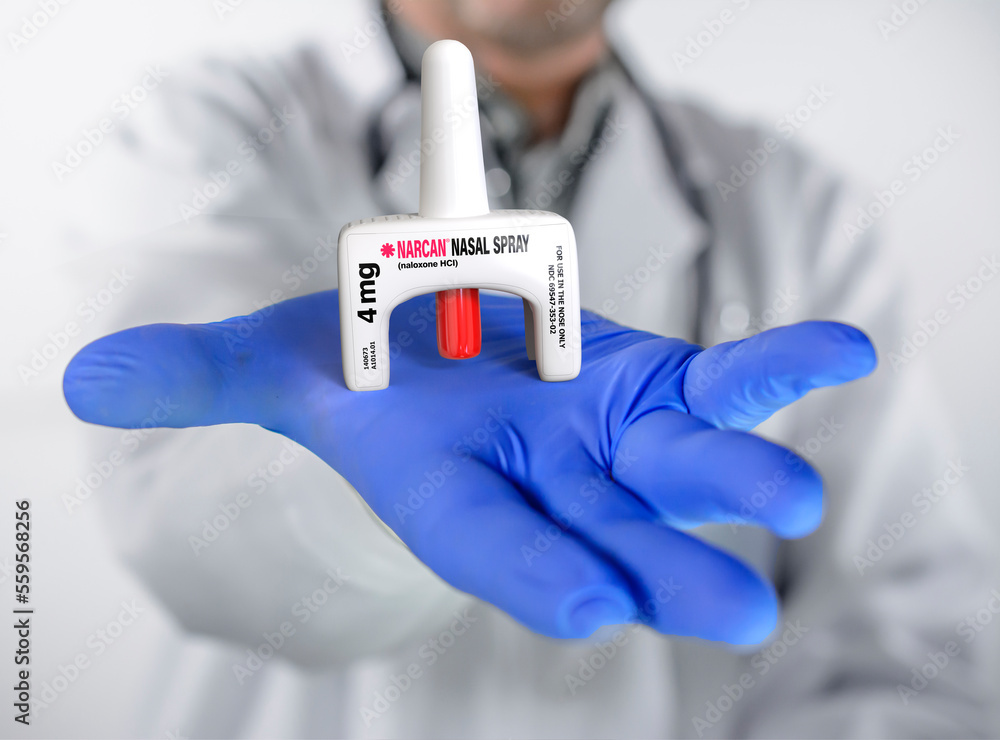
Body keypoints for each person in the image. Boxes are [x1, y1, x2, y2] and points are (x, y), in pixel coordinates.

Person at [64, 1, 996, 737]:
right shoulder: (210, 130)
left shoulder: (798, 206)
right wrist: (371, 494)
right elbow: (180, 506)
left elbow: (904, 649)